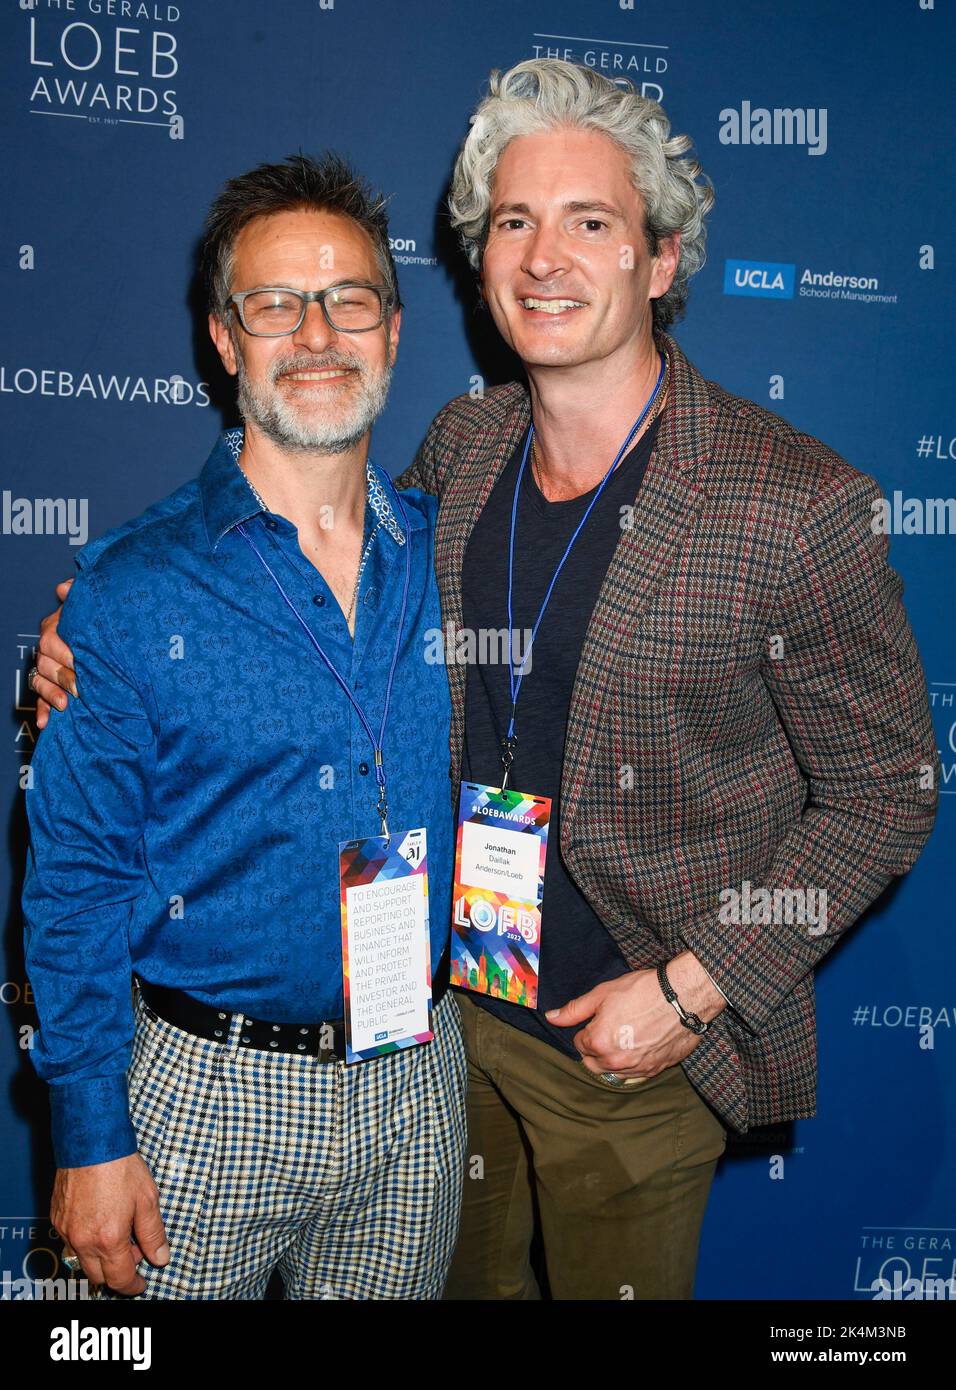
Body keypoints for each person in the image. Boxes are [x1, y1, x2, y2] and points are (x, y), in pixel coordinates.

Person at [35, 59, 940, 1302]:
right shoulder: (461, 454)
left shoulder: (791, 504)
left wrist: (697, 986)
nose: (543, 255)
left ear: (657, 259)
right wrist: (91, 630)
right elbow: (298, 582)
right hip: (447, 1030)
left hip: (629, 1049)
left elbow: (886, 792)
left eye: (589, 221)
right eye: (512, 219)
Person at [22, 153, 466, 1301]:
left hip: (414, 1084)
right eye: (275, 303)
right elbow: (73, 885)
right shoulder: (130, 589)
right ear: (225, 340)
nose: (316, 331)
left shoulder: (448, 550)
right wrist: (87, 1132)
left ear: (394, 329)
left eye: (348, 298)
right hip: (198, 1098)